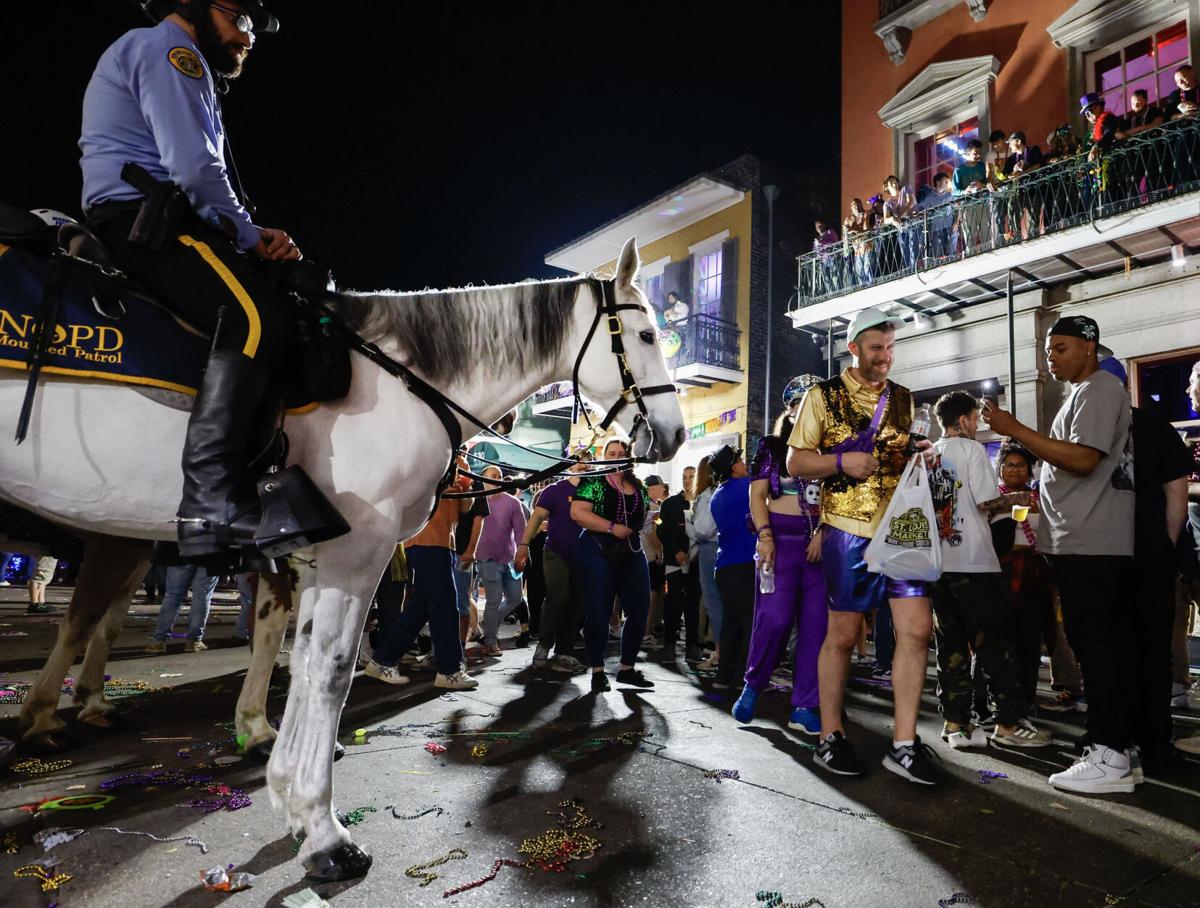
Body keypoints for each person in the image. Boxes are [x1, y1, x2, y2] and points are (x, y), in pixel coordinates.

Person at [80, 0, 302, 560]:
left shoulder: (164, 53)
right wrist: (249, 236)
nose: (248, 38)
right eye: (241, 20)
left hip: (148, 217)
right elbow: (196, 169)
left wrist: (248, 231)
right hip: (147, 223)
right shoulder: (173, 51)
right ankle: (212, 499)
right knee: (258, 320)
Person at [983, 315, 1137, 794]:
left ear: (1089, 347)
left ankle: (1110, 754)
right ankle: (1113, 747)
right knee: (1095, 645)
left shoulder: (1099, 390)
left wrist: (1014, 428)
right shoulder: (1083, 392)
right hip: (1080, 537)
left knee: (1096, 646)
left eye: (1061, 348)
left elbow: (1084, 459)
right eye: (1048, 350)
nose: (1051, 358)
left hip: (1090, 539)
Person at [788, 307, 941, 785]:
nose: (886, 357)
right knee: (843, 635)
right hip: (846, 527)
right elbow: (796, 462)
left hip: (902, 527)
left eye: (891, 348)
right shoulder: (822, 396)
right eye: (877, 348)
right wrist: (840, 462)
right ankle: (830, 735)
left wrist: (921, 453)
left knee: (917, 630)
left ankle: (904, 743)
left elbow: (900, 452)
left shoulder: (904, 398)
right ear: (852, 348)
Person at [927, 392, 1052, 750]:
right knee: (995, 644)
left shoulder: (928, 454)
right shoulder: (972, 450)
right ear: (963, 420)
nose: (976, 425)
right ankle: (1008, 724)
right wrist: (1015, 499)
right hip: (975, 562)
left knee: (950, 648)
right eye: (974, 419)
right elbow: (986, 502)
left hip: (940, 563)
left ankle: (957, 724)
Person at [1096, 355, 1191, 773]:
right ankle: (1155, 744)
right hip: (1149, 551)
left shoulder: (1085, 427)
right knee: (1153, 650)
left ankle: (1114, 741)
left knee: (1110, 649)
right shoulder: (1156, 426)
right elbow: (1177, 494)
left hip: (1102, 554)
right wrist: (1165, 543)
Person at [733, 376, 827, 735]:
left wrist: (823, 532)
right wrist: (765, 535)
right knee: (773, 619)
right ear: (789, 410)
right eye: (801, 405)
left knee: (816, 629)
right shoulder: (772, 447)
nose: (807, 413)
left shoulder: (831, 450)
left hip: (820, 547)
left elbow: (840, 500)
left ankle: (805, 705)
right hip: (779, 543)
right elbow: (757, 496)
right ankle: (753, 685)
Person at [364, 470, 478, 691]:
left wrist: (465, 486)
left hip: (442, 542)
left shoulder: (458, 463)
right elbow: (412, 494)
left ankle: (383, 661)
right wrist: (446, 485)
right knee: (445, 606)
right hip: (427, 541)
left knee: (420, 609)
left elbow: (465, 508)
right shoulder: (433, 457)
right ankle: (449, 671)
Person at [987, 443, 1079, 710]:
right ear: (1000, 469)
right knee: (1002, 637)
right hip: (1002, 571)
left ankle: (1026, 698)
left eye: (1021, 465)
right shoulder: (990, 499)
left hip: (1035, 571)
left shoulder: (1041, 498)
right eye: (1009, 465)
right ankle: (1001, 699)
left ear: (1029, 470)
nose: (1015, 470)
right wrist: (1011, 506)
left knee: (1030, 637)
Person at [571, 438, 654, 691]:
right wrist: (611, 527)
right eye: (611, 453)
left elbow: (644, 517)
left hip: (632, 550)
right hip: (597, 550)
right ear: (603, 457)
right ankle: (598, 670)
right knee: (599, 610)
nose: (616, 457)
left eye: (621, 453)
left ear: (628, 457)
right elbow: (578, 513)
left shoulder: (638, 486)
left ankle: (627, 668)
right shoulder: (593, 481)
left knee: (640, 608)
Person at [515, 455, 590, 674]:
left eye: (588, 460)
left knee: (579, 603)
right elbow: (537, 518)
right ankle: (544, 644)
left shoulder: (596, 491)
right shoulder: (555, 490)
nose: (583, 464)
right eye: (579, 460)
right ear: (569, 464)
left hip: (584, 556)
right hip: (556, 552)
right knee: (558, 597)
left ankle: (564, 651)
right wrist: (523, 544)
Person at [707, 446, 757, 691]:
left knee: (731, 622)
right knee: (748, 622)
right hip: (743, 563)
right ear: (734, 467)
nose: (744, 462)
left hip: (726, 565)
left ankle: (724, 676)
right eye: (740, 459)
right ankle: (741, 679)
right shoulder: (745, 487)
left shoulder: (718, 494)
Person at [473, 466, 527, 656]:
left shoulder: (512, 503)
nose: (496, 479)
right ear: (483, 479)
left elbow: (521, 531)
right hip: (486, 557)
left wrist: (522, 553)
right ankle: (490, 641)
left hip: (510, 557)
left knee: (515, 598)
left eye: (499, 476)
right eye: (492, 476)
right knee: (493, 599)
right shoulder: (476, 501)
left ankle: (489, 624)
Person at [657, 474, 699, 664]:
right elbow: (662, 530)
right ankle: (669, 646)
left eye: (691, 477)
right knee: (673, 603)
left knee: (693, 604)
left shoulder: (703, 502)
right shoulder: (670, 504)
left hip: (696, 561)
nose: (687, 480)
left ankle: (692, 646)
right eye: (684, 477)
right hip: (674, 561)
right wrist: (676, 551)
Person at [690, 457, 724, 672]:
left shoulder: (708, 495)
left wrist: (689, 527)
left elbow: (703, 529)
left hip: (710, 549)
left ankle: (720, 654)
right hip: (728, 549)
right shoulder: (728, 490)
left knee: (714, 602)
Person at [145, 563, 219, 653]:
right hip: (209, 558)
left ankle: (160, 641)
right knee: (202, 596)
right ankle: (194, 641)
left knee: (173, 595)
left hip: (180, 558)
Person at [952, 140, 990, 253]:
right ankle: (971, 256)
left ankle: (989, 253)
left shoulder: (982, 166)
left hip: (983, 202)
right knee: (969, 234)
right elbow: (954, 191)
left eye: (979, 153)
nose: (978, 155)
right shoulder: (959, 170)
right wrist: (964, 192)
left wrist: (982, 185)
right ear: (968, 152)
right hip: (967, 205)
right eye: (975, 153)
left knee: (986, 231)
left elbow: (989, 183)